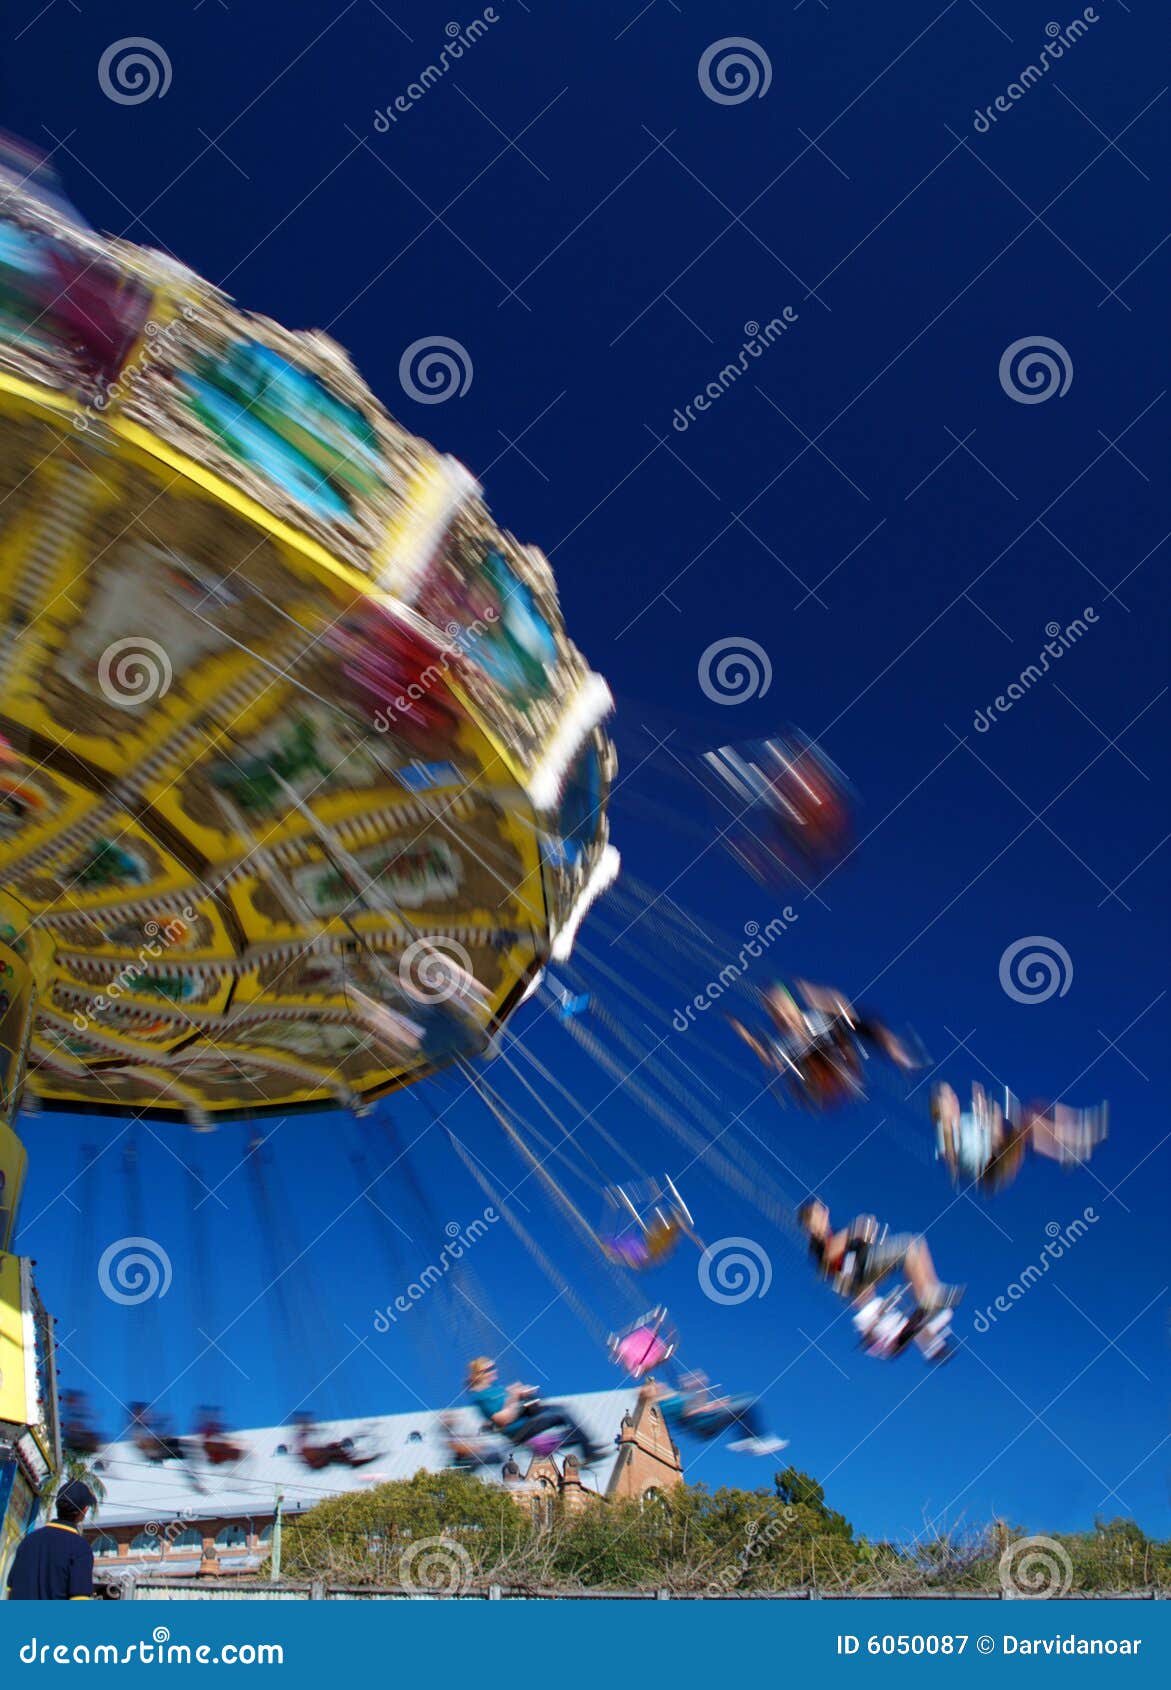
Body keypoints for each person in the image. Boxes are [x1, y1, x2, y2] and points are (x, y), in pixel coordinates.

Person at [730, 981, 917, 1111]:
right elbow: (768, 1056)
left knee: (838, 1016)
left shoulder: (816, 1019)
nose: (785, 1020)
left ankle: (837, 1073)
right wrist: (748, 1037)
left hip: (836, 1062)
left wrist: (890, 1046)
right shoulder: (785, 1042)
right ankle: (821, 1082)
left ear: (794, 1008)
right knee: (799, 1051)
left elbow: (859, 1025)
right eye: (778, 1016)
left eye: (786, 1013)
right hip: (822, 1076)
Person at [797, 1198, 962, 1316]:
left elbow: (852, 1249)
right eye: (818, 1215)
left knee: (913, 1250)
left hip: (862, 1271)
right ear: (809, 1225)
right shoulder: (817, 1244)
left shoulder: (832, 1235)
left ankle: (925, 1299)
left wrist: (864, 1236)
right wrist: (855, 1229)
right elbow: (829, 1256)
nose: (824, 1217)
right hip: (857, 1275)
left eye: (823, 1213)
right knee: (910, 1245)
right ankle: (926, 1297)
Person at [933, 1084, 1108, 1193]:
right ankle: (1069, 1149)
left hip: (997, 1149)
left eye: (951, 1093)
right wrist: (949, 1128)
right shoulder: (943, 1132)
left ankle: (1074, 1139)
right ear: (940, 1108)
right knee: (1025, 1120)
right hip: (989, 1169)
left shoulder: (966, 1118)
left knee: (1031, 1112)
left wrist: (986, 1113)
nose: (953, 1097)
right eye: (947, 1097)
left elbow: (989, 1128)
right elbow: (953, 1169)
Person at [465, 1357, 606, 1465]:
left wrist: (520, 1392)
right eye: (489, 1369)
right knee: (561, 1414)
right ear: (480, 1374)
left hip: (524, 1418)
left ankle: (557, 1445)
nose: (494, 1371)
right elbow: (502, 1420)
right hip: (519, 1429)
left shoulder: (494, 1390)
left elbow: (507, 1404)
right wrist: (515, 1395)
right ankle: (587, 1452)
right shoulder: (480, 1396)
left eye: (493, 1367)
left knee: (563, 1414)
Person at [642, 1374, 787, 1456]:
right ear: (654, 1393)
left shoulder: (673, 1397)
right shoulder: (668, 1403)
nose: (659, 1384)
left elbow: (695, 1406)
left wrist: (704, 1398)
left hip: (704, 1420)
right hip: (703, 1424)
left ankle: (747, 1438)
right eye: (656, 1386)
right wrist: (696, 1388)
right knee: (750, 1402)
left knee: (742, 1401)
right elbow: (689, 1413)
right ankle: (755, 1439)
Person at [5, 1480, 95, 1600]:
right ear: (84, 1511)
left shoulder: (28, 1541)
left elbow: (10, 1591)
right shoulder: (80, 1549)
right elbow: (79, 1599)